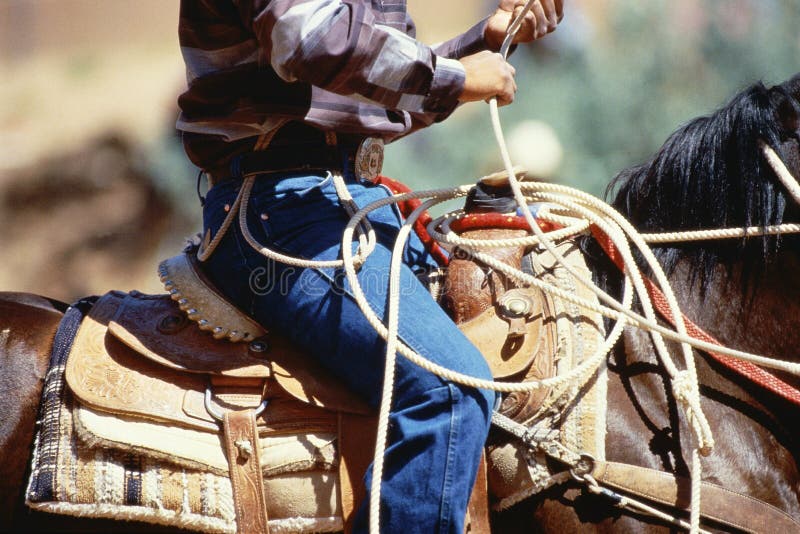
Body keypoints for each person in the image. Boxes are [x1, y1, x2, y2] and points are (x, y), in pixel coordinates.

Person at [176, 1, 563, 532]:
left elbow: (378, 100)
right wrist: (453, 77)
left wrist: (485, 40)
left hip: (354, 207)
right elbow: (311, 40)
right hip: (280, 212)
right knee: (451, 388)